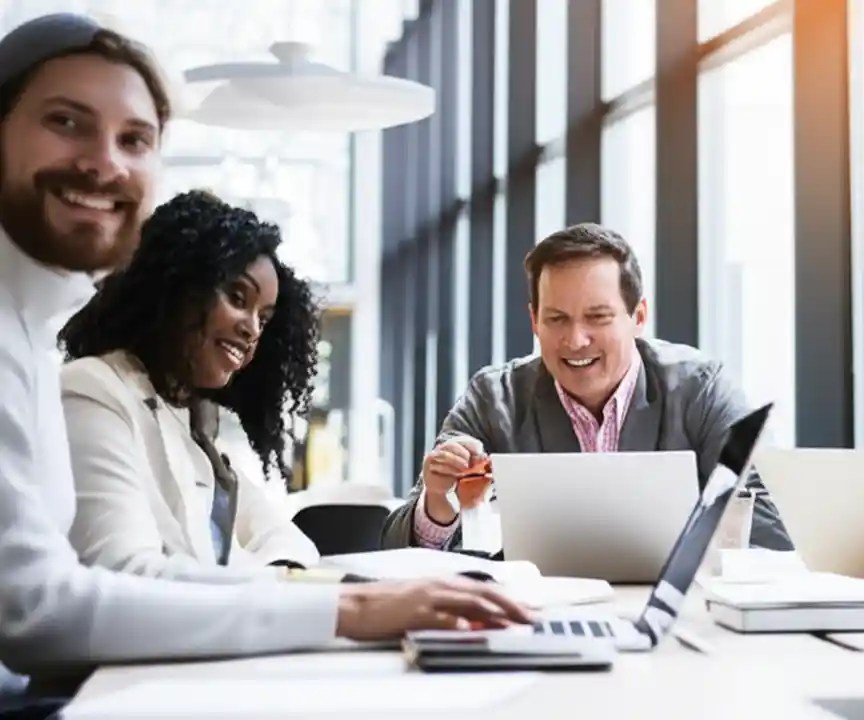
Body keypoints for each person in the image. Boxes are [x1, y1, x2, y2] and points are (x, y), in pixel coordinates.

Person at [0, 13, 528, 685]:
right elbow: (43, 610)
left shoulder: (46, 343)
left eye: (135, 138)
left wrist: (341, 599)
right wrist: (347, 608)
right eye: (66, 121)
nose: (105, 161)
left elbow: (283, 547)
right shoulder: (81, 383)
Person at [381, 223, 793, 552]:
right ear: (534, 321)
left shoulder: (702, 390)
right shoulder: (494, 398)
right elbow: (400, 546)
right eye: (557, 319)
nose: (576, 340)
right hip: (535, 619)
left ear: (638, 316)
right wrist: (438, 502)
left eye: (597, 317)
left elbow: (770, 528)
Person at [58, 190, 324, 577]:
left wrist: (279, 576)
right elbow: (128, 572)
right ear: (181, 288)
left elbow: (287, 541)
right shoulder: (94, 390)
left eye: (264, 319)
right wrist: (277, 586)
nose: (252, 328)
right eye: (237, 297)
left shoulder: (198, 432)